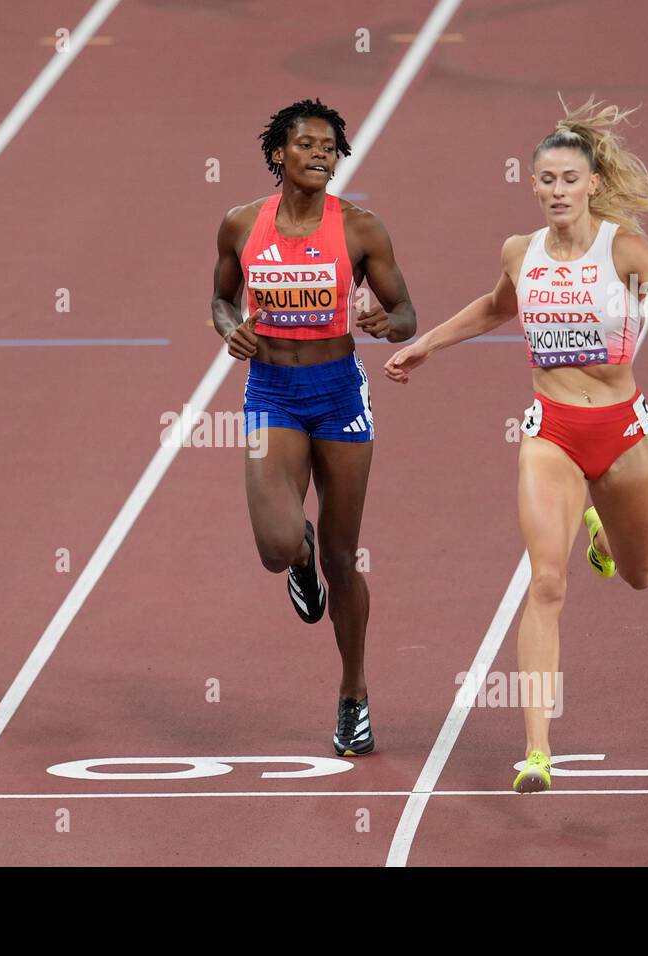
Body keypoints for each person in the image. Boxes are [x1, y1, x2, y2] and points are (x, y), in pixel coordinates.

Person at [384, 98, 648, 791]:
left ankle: (602, 533)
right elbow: (495, 306)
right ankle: (537, 750)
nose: (558, 191)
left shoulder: (623, 247)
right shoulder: (521, 252)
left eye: (570, 179)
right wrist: (425, 346)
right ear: (532, 185)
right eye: (546, 180)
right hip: (553, 434)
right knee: (545, 582)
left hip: (624, 433)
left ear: (593, 183)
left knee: (638, 574)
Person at [211, 99, 416, 755]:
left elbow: (405, 310)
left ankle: (353, 692)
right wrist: (229, 328)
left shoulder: (360, 229)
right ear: (278, 154)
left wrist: (389, 326)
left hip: (337, 395)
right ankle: (297, 555)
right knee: (277, 547)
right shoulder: (242, 224)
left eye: (330, 146)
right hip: (272, 390)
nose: (321, 154)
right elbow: (220, 297)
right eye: (307, 144)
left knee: (343, 556)